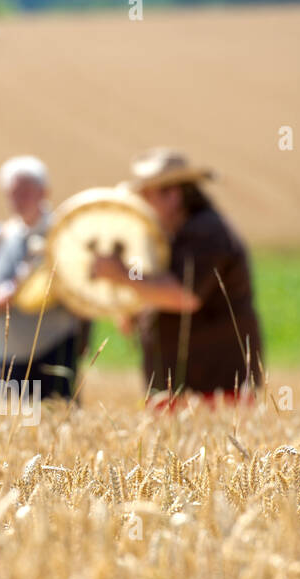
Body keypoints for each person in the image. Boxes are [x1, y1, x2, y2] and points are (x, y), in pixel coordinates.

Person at [91, 148, 263, 406]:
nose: (142, 205)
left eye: (147, 195)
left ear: (173, 195)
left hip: (213, 385)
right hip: (184, 384)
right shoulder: (171, 235)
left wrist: (121, 276)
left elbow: (184, 295)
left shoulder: (206, 231)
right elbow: (157, 287)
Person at [0, 156, 88, 400]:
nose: (18, 200)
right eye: (13, 193)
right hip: (9, 357)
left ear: (44, 192)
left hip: (57, 352)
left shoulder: (64, 235)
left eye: (25, 192)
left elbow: (85, 293)